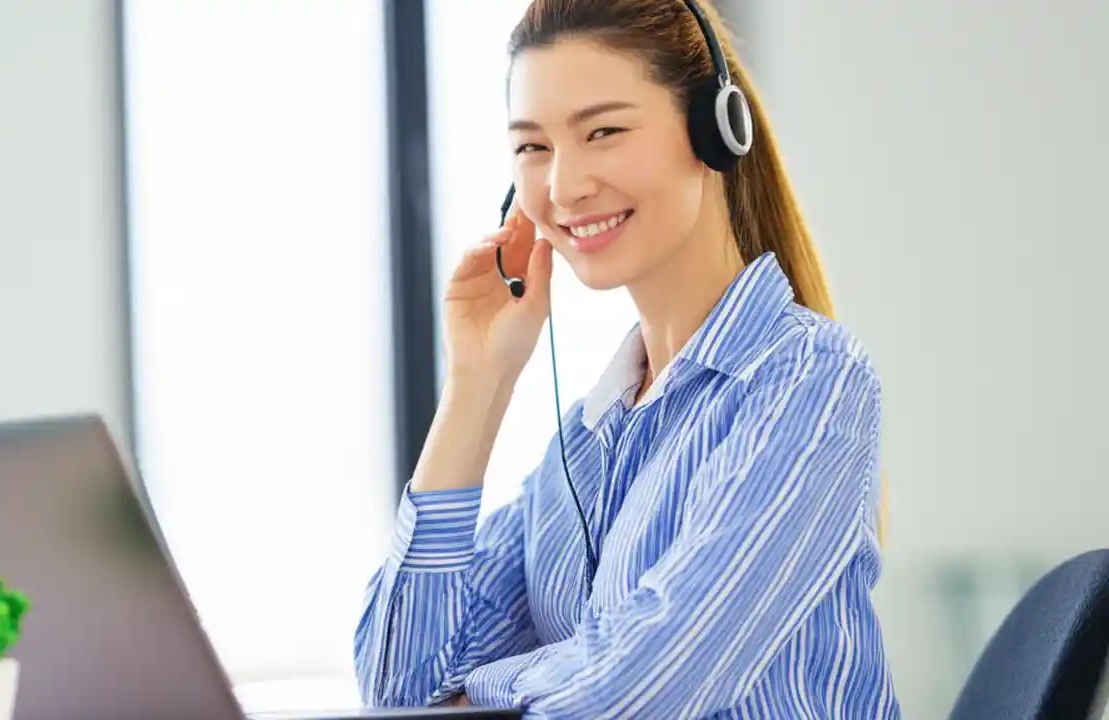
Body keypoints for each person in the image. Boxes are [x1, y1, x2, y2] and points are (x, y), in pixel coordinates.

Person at [353, 0, 898, 716]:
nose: (563, 186)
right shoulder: (585, 446)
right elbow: (396, 692)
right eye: (532, 147)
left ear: (714, 132)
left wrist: (482, 694)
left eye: (602, 131)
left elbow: (645, 687)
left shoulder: (808, 379)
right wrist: (475, 385)